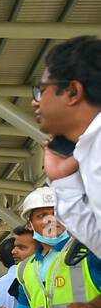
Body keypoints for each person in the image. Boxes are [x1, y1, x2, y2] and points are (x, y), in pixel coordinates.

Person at [41, 36, 101, 253]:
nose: (35, 102)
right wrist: (63, 180)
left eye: (41, 91)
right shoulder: (90, 150)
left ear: (73, 91)